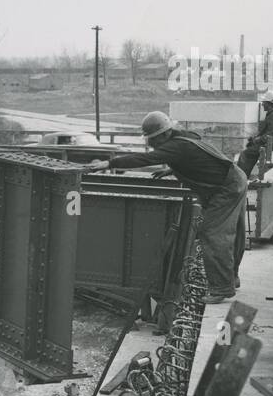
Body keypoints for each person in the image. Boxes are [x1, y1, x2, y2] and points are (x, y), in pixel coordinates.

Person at [88, 111, 247, 304]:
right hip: (235, 177)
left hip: (227, 188)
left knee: (213, 233)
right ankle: (232, 278)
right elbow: (197, 155)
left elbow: (144, 159)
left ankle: (222, 288)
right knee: (234, 232)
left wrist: (109, 162)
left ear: (163, 134)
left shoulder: (175, 146)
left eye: (152, 139)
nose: (150, 143)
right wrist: (172, 169)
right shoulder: (184, 136)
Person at [236, 91, 273, 181]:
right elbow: (268, 133)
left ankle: (240, 179)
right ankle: (242, 178)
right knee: (250, 148)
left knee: (246, 154)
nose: (262, 104)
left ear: (269, 103)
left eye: (264, 102)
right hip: (271, 143)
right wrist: (254, 139)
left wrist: (257, 140)